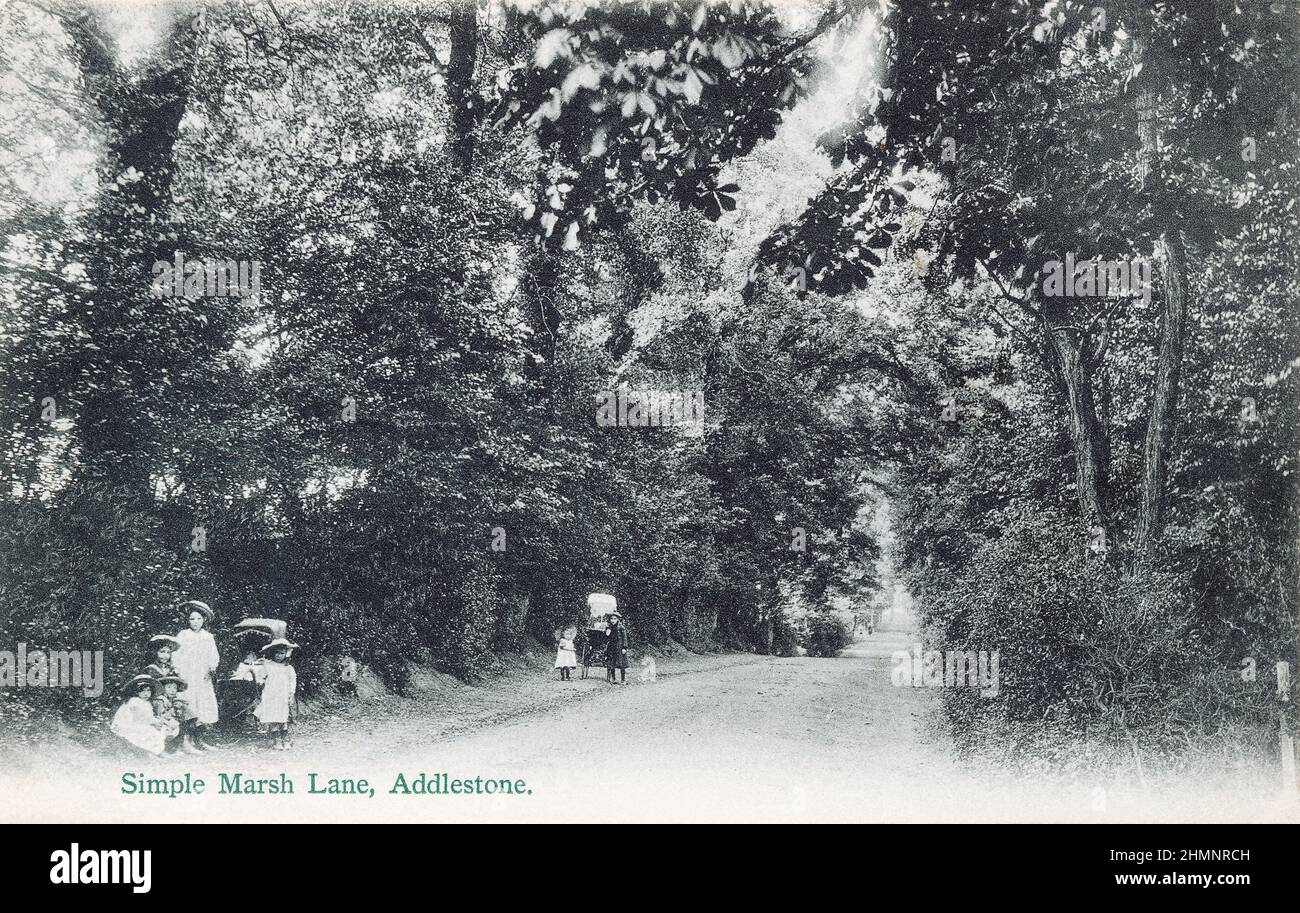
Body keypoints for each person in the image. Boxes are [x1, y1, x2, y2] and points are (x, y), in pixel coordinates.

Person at [174, 600, 220, 751]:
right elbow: (176, 654)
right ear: (188, 620)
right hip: (187, 674)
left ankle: (199, 739)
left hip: (202, 676)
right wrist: (179, 671)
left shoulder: (208, 637)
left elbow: (213, 656)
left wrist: (211, 668)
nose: (195, 622)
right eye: (192, 619)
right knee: (189, 704)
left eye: (199, 619)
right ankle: (186, 740)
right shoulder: (183, 635)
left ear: (204, 620)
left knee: (203, 706)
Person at [255, 639, 298, 750]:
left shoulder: (288, 668)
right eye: (277, 653)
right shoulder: (268, 665)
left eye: (282, 653)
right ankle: (276, 741)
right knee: (273, 717)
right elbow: (261, 677)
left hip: (283, 695)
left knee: (283, 718)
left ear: (286, 654)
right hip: (271, 695)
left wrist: (291, 694)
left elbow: (293, 681)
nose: (279, 655)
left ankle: (285, 740)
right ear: (273, 653)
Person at [110, 675, 167, 757]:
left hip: (138, 723)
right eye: (142, 691)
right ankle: (150, 752)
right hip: (127, 725)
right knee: (148, 731)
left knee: (158, 730)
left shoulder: (146, 703)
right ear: (136, 692)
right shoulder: (134, 701)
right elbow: (139, 718)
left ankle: (154, 751)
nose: (146, 694)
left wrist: (155, 721)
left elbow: (147, 716)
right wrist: (153, 722)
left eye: (148, 691)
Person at [152, 673, 194, 755]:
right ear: (163, 689)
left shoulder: (173, 699)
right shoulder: (160, 700)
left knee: (182, 718)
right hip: (160, 721)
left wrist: (178, 707)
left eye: (175, 688)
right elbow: (159, 714)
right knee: (174, 725)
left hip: (170, 721)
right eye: (169, 687)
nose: (172, 690)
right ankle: (171, 749)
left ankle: (182, 745)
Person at [605, 612, 628, 684]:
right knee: (612, 662)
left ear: (618, 619)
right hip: (612, 646)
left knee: (621, 663)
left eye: (614, 619)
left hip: (619, 646)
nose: (612, 620)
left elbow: (624, 638)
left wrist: (624, 647)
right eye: (611, 619)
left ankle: (623, 679)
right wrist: (607, 631)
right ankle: (613, 678)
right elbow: (607, 637)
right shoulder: (609, 627)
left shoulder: (621, 627)